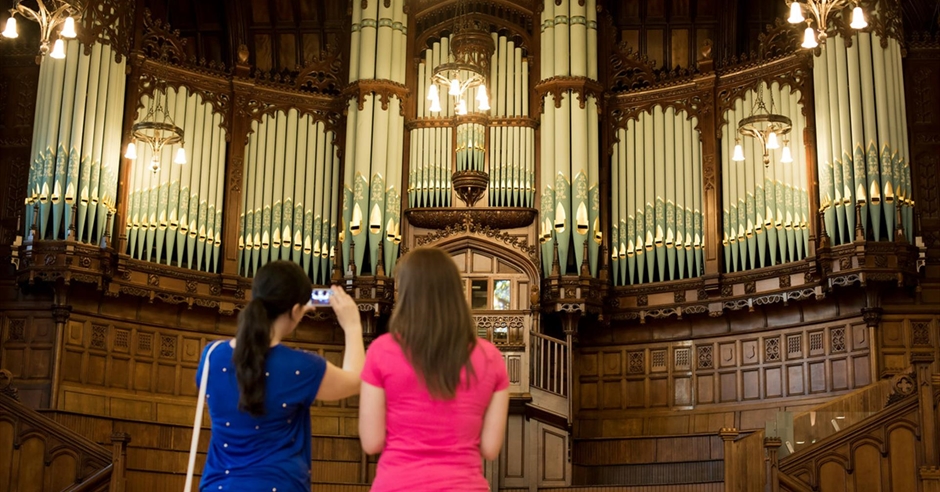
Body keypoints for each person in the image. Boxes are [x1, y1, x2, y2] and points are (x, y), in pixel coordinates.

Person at [195, 260, 364, 492]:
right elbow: (357, 381)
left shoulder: (211, 357)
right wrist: (353, 325)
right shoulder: (302, 367)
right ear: (296, 310)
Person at [358, 247, 510, 491]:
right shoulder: (490, 357)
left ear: (406, 293)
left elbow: (372, 441)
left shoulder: (381, 350)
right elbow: (490, 449)